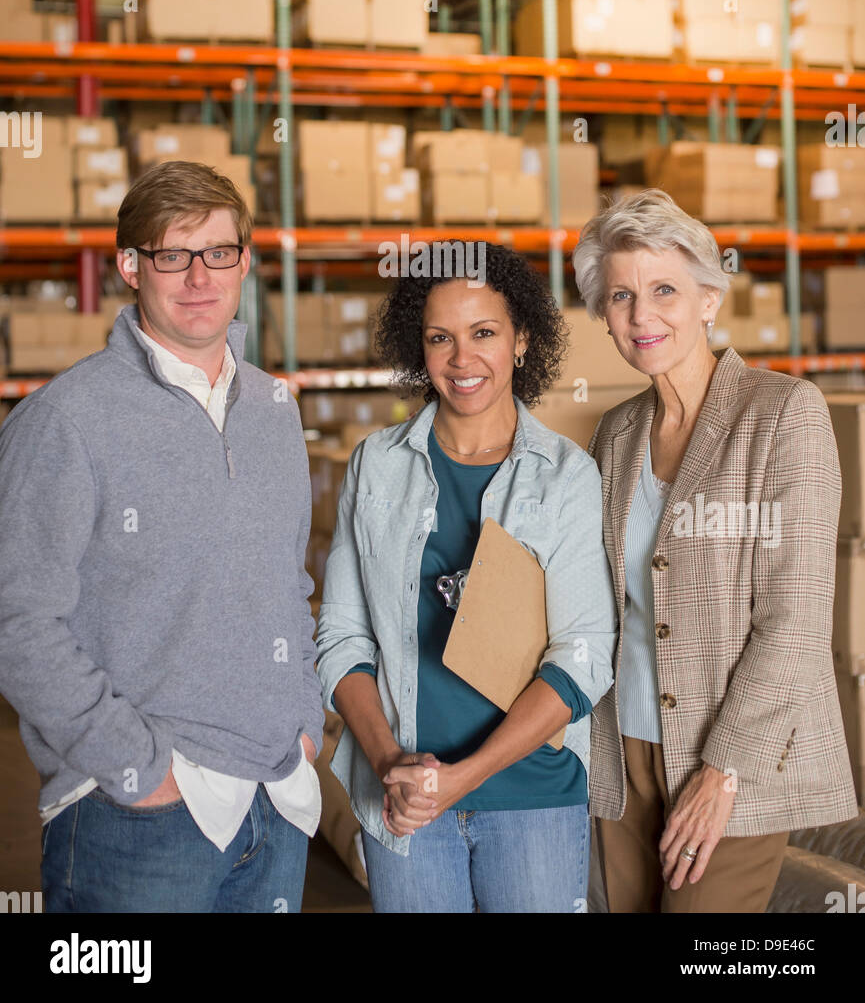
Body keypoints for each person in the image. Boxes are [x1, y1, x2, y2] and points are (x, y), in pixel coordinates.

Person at [0, 160, 323, 913]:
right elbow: (17, 619)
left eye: (218, 252)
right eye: (172, 255)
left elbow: (290, 583)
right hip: (135, 819)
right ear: (130, 267)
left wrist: (303, 722)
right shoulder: (65, 419)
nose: (199, 277)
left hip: (275, 798)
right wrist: (137, 767)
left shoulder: (274, 410)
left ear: (245, 262)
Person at [572, 188, 858, 914]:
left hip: (733, 753)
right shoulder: (616, 433)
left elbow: (795, 621)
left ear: (709, 298)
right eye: (620, 296)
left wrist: (722, 769)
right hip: (624, 749)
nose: (642, 315)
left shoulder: (782, 414)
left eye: (664, 290)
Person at [315, 242, 617, 913]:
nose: (461, 358)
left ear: (520, 341)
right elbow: (341, 637)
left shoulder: (566, 476)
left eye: (483, 333)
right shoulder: (376, 465)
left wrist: (465, 776)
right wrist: (389, 763)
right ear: (417, 347)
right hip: (404, 797)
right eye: (439, 338)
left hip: (533, 796)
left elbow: (584, 654)